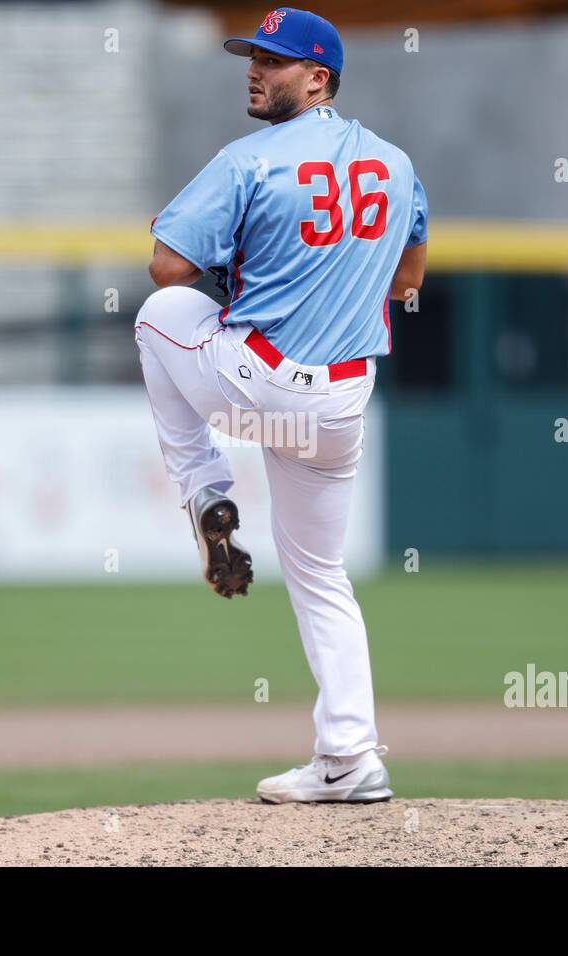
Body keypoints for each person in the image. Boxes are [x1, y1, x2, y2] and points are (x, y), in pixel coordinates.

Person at [133, 7, 428, 802]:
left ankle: (205, 492)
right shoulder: (395, 165)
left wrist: (234, 271)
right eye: (252, 57)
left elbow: (166, 267)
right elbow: (410, 275)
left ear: (318, 78)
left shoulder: (246, 159)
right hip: (341, 405)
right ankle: (350, 756)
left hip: (257, 383)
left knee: (158, 320)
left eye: (275, 61)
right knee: (322, 574)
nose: (255, 71)